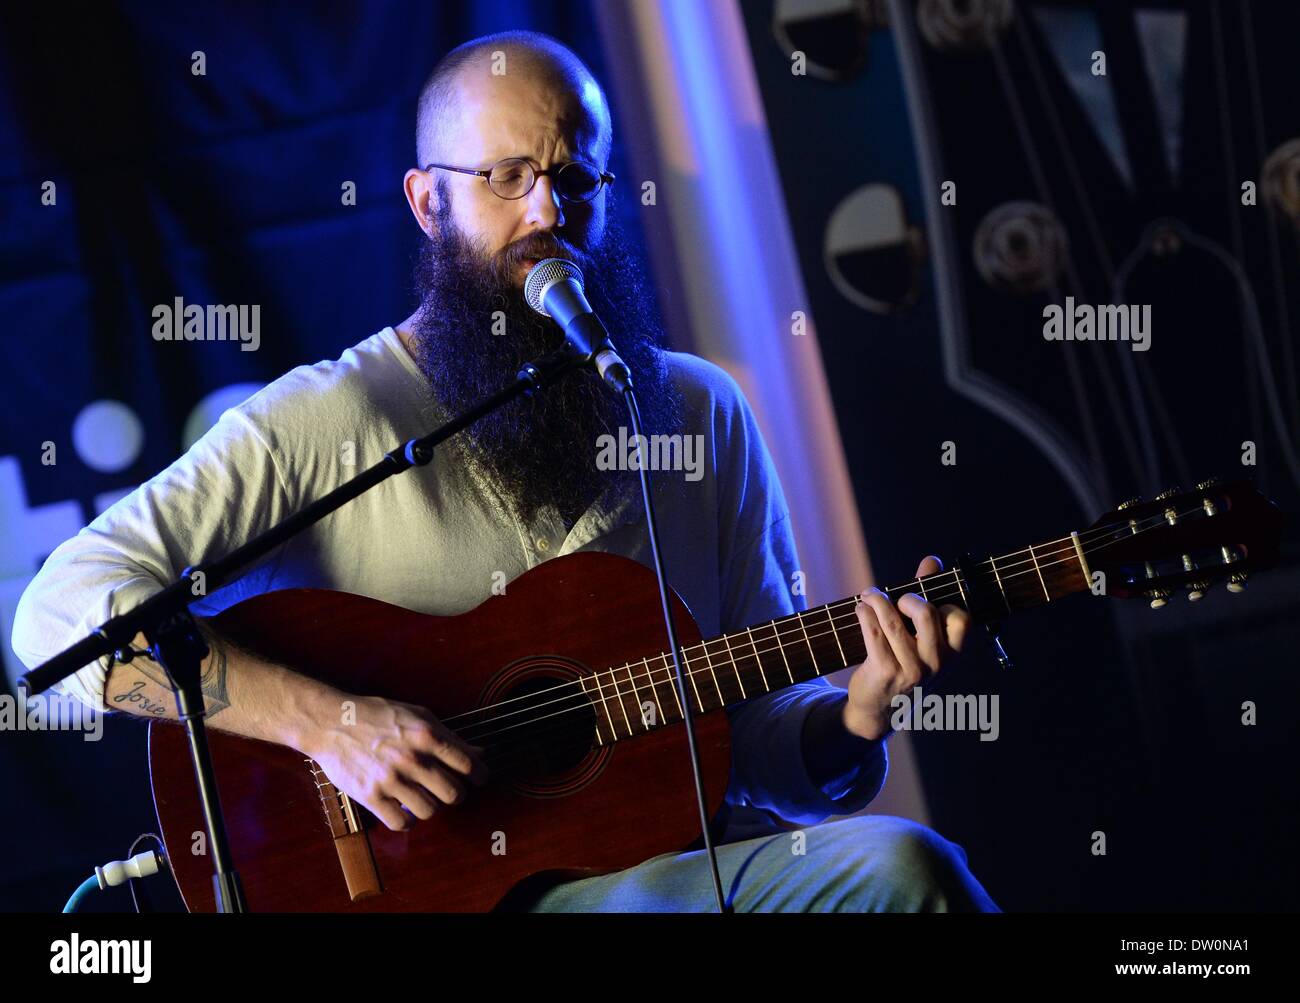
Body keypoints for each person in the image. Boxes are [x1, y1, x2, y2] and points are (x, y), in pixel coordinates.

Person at [13, 30, 998, 913]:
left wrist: (858, 713)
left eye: (575, 181)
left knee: (903, 869)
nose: (545, 213)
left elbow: (756, 742)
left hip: (681, 865)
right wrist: (328, 723)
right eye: (505, 176)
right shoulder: (324, 419)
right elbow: (55, 615)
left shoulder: (700, 413)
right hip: (438, 893)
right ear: (425, 198)